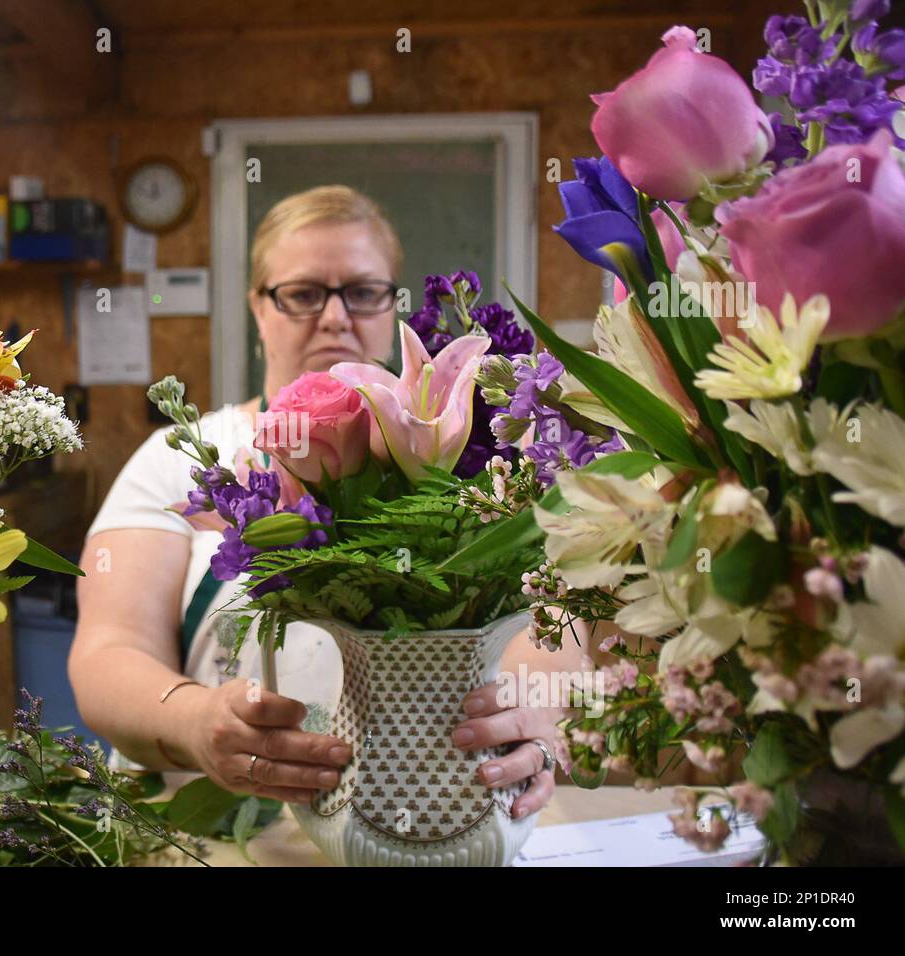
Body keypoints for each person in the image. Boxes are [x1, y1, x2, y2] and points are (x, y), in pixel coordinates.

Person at [69, 185, 583, 818]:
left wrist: (530, 709)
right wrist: (199, 724)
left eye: (364, 293)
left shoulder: (473, 466)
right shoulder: (183, 457)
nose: (336, 318)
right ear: (258, 309)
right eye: (304, 293)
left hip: (436, 812)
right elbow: (108, 651)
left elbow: (556, 621)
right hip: (218, 831)